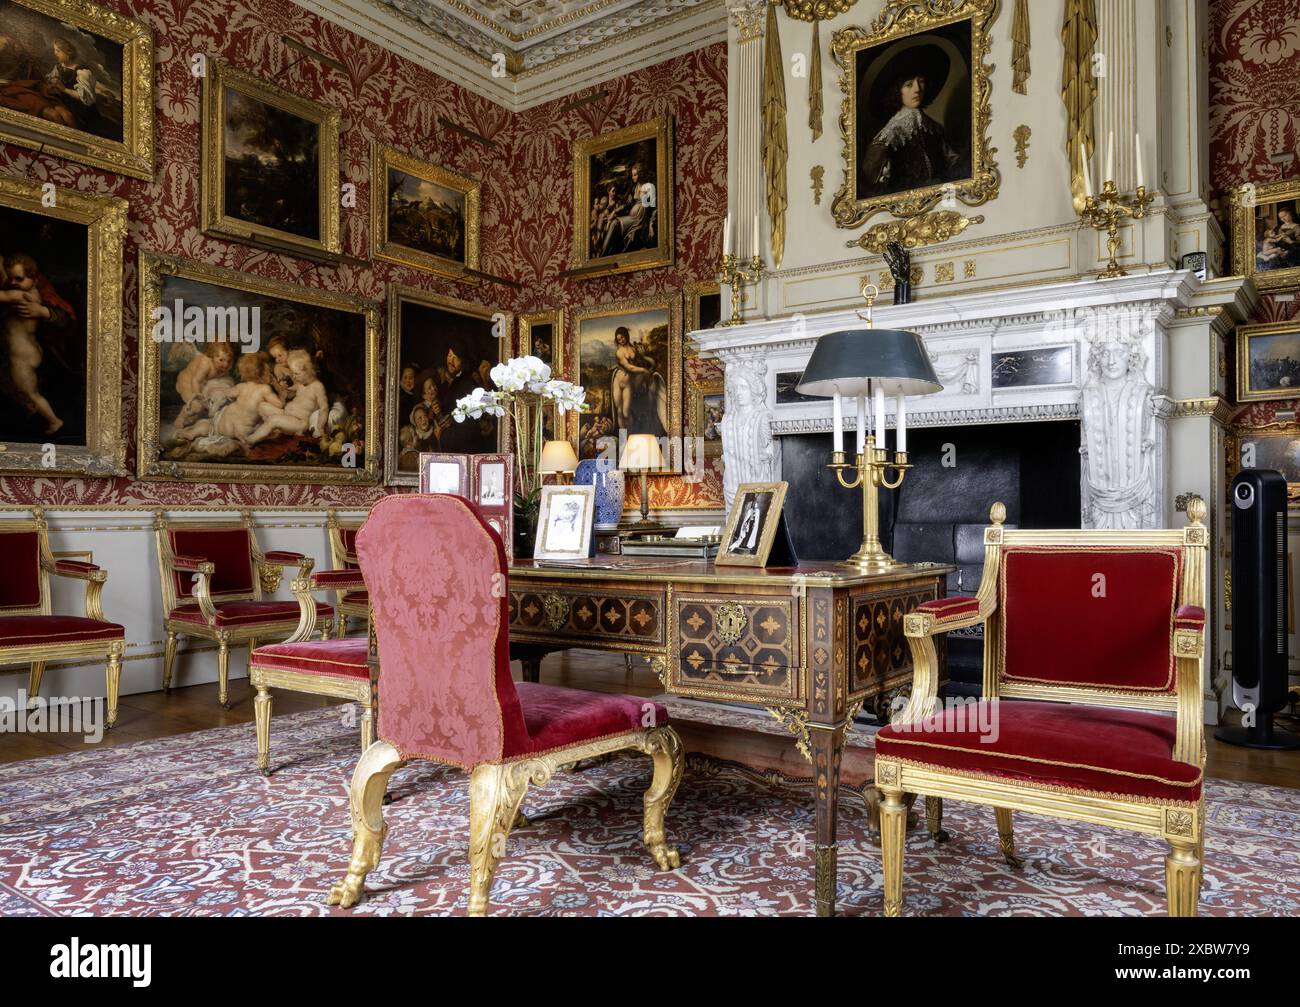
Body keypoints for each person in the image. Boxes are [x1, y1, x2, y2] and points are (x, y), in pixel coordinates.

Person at [859, 45, 964, 198]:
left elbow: (954, 166)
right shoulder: (890, 135)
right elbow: (872, 184)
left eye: (920, 81)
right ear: (897, 91)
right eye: (908, 84)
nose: (917, 89)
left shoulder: (934, 129)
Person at [0, 253, 67, 434]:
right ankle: (29, 408)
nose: (13, 282)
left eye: (19, 279)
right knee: (7, 381)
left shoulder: (20, 296)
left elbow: (3, 296)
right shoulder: (31, 292)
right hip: (29, 350)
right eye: (10, 277)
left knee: (31, 392)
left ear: (34, 279)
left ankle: (54, 421)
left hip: (22, 355)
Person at [248, 348, 328, 443]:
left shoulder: (317, 387)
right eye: (293, 373)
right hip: (287, 415)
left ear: (308, 371)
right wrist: (277, 384)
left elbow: (324, 408)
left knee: (273, 420)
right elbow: (286, 391)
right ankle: (274, 431)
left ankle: (250, 440)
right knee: (262, 406)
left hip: (300, 423)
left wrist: (321, 427)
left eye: (296, 374)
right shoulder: (301, 384)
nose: (293, 376)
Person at [609, 326, 668, 436]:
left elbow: (641, 359)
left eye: (622, 337)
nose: (621, 340)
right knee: (620, 412)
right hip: (618, 382)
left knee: (626, 413)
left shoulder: (633, 348)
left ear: (626, 335)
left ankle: (630, 434)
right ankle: (624, 438)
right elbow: (629, 367)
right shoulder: (619, 352)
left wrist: (648, 360)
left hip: (628, 383)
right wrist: (644, 370)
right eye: (619, 339)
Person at [600, 164, 657, 257]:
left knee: (615, 223)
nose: (633, 177)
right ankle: (603, 255)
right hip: (632, 217)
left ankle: (602, 256)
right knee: (614, 223)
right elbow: (627, 204)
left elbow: (654, 208)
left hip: (640, 219)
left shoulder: (650, 187)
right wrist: (615, 211)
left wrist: (651, 225)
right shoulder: (634, 188)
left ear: (641, 174)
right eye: (632, 175)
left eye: (635, 174)